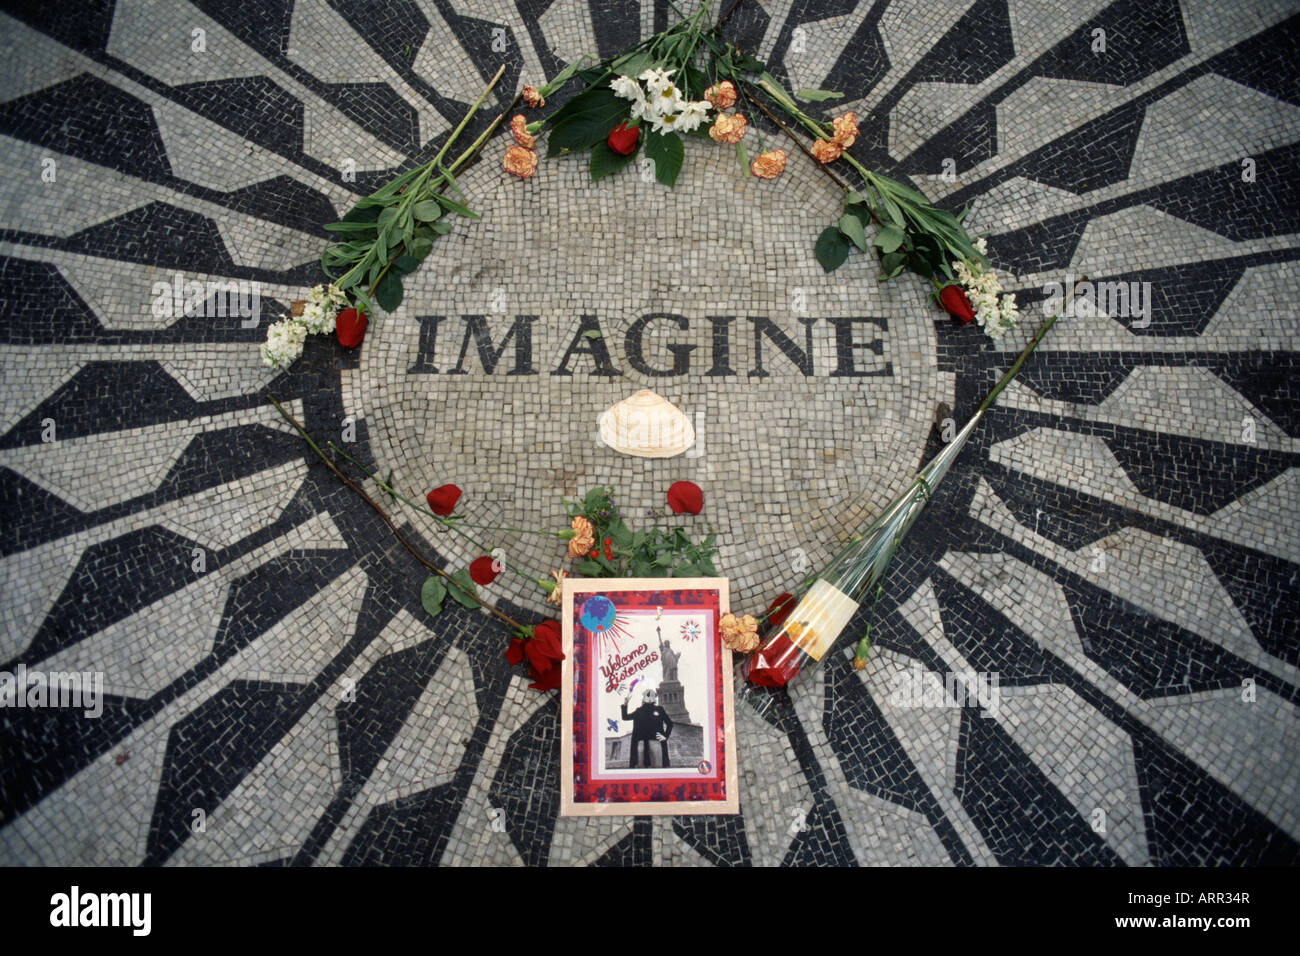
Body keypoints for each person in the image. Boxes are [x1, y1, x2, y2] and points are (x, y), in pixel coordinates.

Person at [620, 686, 673, 768]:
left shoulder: (659, 710)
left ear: (655, 698)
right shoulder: (639, 711)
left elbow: (670, 724)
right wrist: (625, 704)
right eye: (647, 695)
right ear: (643, 698)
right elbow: (625, 717)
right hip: (641, 743)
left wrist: (665, 736)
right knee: (641, 768)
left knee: (658, 767)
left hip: (656, 742)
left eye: (651, 695)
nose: (649, 697)